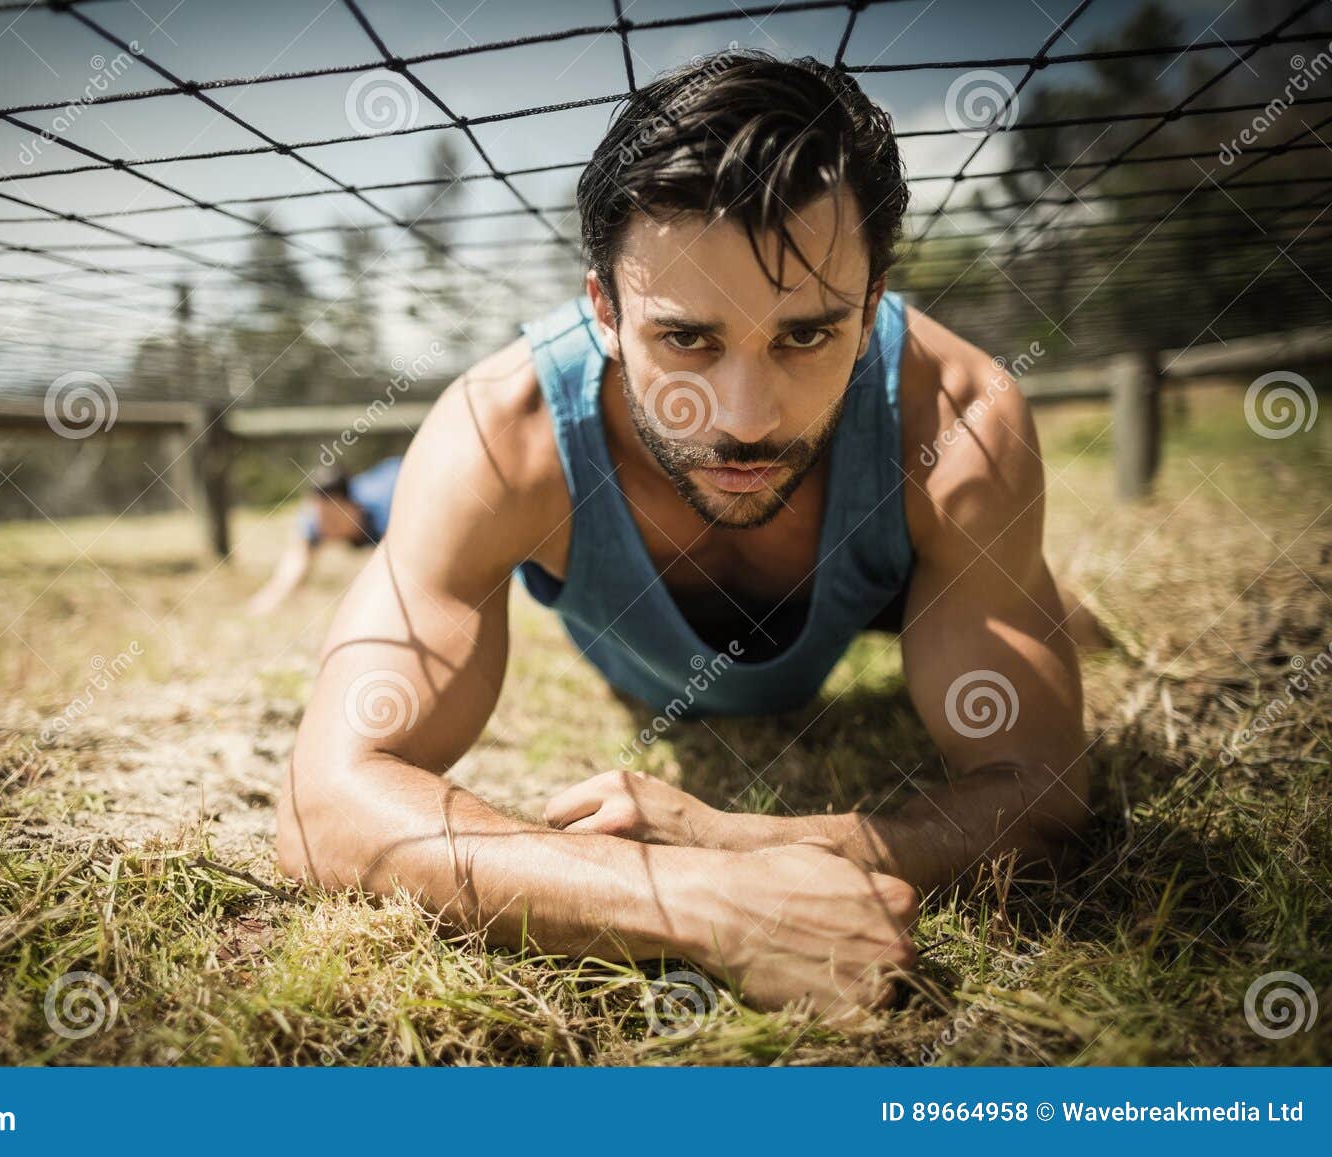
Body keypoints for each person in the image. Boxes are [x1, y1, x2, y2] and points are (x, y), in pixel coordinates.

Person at [278, 51, 1087, 1019]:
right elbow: (322, 801)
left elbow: (1042, 797)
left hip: (883, 592)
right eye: (687, 338)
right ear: (606, 313)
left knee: (1030, 602)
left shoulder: (959, 422)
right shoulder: (500, 439)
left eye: (804, 335)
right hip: (642, 666)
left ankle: (1051, 599)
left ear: (871, 310)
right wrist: (692, 903)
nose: (744, 419)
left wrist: (727, 841)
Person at [246, 457, 401, 618]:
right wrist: (269, 601)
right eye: (321, 519)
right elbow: (295, 563)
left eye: (333, 520)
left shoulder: (388, 511)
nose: (324, 529)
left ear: (353, 507)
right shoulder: (314, 519)